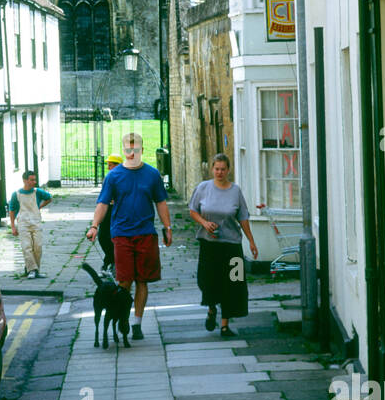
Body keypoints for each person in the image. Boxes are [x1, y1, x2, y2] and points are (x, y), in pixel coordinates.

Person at [87, 133, 171, 339]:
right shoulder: (113, 177)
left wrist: (168, 228)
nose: (131, 153)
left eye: (135, 149)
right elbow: (103, 203)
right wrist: (94, 226)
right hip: (122, 235)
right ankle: (123, 316)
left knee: (142, 280)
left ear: (142, 150)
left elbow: (160, 203)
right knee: (124, 281)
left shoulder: (152, 175)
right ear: (124, 150)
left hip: (145, 234)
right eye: (128, 149)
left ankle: (137, 323)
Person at [189, 153, 258, 336]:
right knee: (208, 281)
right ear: (212, 169)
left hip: (231, 245)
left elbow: (243, 217)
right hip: (209, 244)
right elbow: (193, 210)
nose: (219, 172)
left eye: (223, 169)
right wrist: (204, 223)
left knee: (234, 282)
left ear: (228, 170)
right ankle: (211, 308)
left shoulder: (235, 191)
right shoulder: (203, 188)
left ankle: (225, 324)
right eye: (216, 169)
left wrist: (251, 241)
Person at [8, 171, 52, 279]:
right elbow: (12, 210)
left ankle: (36, 269)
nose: (34, 182)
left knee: (38, 246)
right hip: (23, 223)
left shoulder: (37, 192)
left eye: (34, 179)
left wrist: (40, 206)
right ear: (24, 180)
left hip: (36, 222)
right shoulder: (16, 194)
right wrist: (13, 226)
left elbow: (49, 198)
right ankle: (31, 269)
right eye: (31, 180)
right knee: (26, 246)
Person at [98, 153, 122, 270]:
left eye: (110, 165)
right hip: (107, 208)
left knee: (113, 237)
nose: (108, 168)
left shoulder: (122, 178)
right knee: (103, 236)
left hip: (118, 210)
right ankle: (110, 260)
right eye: (108, 165)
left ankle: (110, 262)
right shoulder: (109, 177)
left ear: (117, 166)